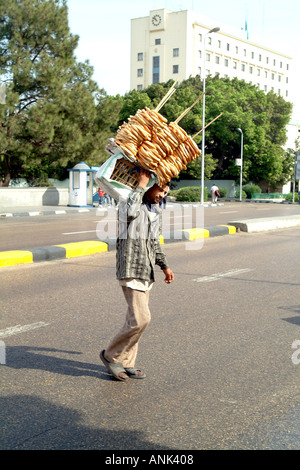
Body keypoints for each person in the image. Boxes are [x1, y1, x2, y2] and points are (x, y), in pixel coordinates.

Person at [100, 169, 174, 381]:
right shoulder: (130, 201)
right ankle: (111, 355)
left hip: (147, 270)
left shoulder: (155, 210)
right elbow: (128, 214)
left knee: (135, 319)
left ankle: (128, 362)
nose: (163, 195)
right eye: (161, 189)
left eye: (166, 192)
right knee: (142, 319)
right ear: (150, 184)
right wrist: (140, 185)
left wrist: (164, 265)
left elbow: (154, 241)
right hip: (131, 267)